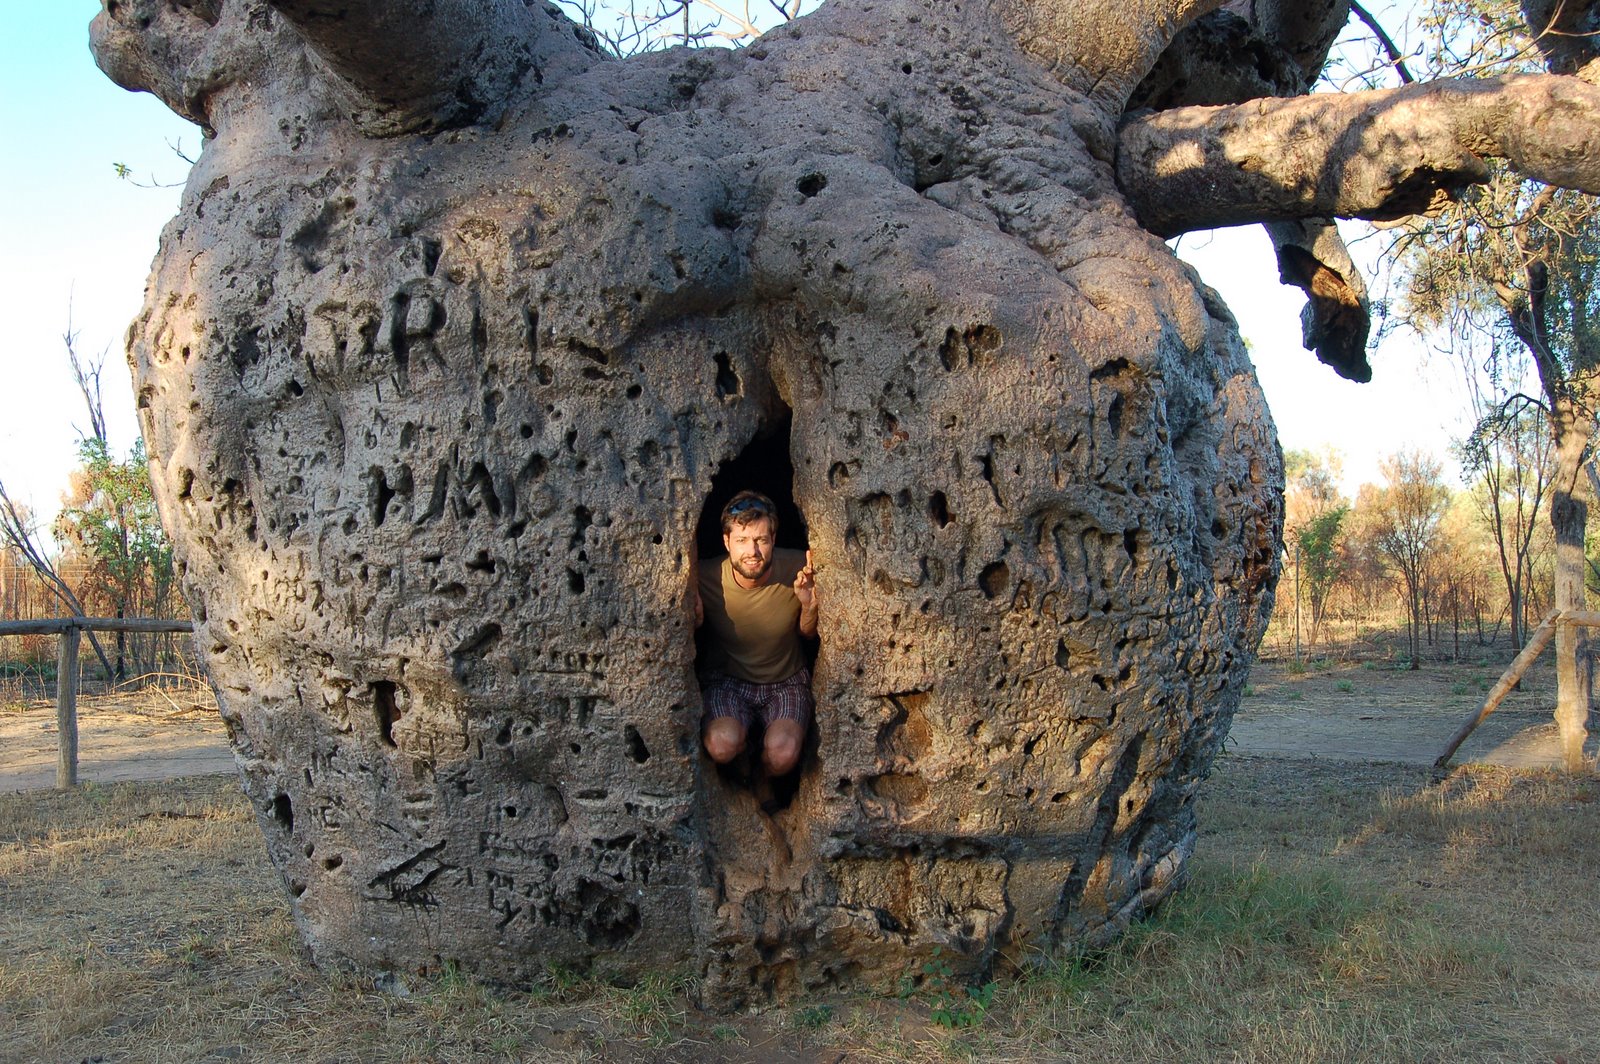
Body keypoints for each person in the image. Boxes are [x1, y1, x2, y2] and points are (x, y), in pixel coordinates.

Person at [693, 490, 817, 776]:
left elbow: (809, 634)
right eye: (742, 540)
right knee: (721, 744)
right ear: (726, 541)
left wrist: (809, 605)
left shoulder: (799, 568)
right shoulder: (706, 576)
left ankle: (762, 781)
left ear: (773, 539)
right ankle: (742, 766)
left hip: (786, 680)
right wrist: (692, 609)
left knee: (783, 753)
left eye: (761, 540)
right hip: (729, 681)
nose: (753, 551)